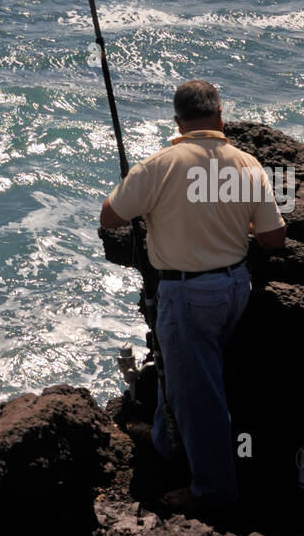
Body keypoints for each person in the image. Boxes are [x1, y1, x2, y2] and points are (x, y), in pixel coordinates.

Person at [100, 80, 286, 512]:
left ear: (178, 123)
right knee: (186, 374)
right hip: (236, 287)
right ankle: (167, 441)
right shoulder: (248, 165)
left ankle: (214, 491)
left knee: (200, 395)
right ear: (220, 116)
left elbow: (110, 218)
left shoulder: (159, 165)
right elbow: (275, 238)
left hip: (186, 295)